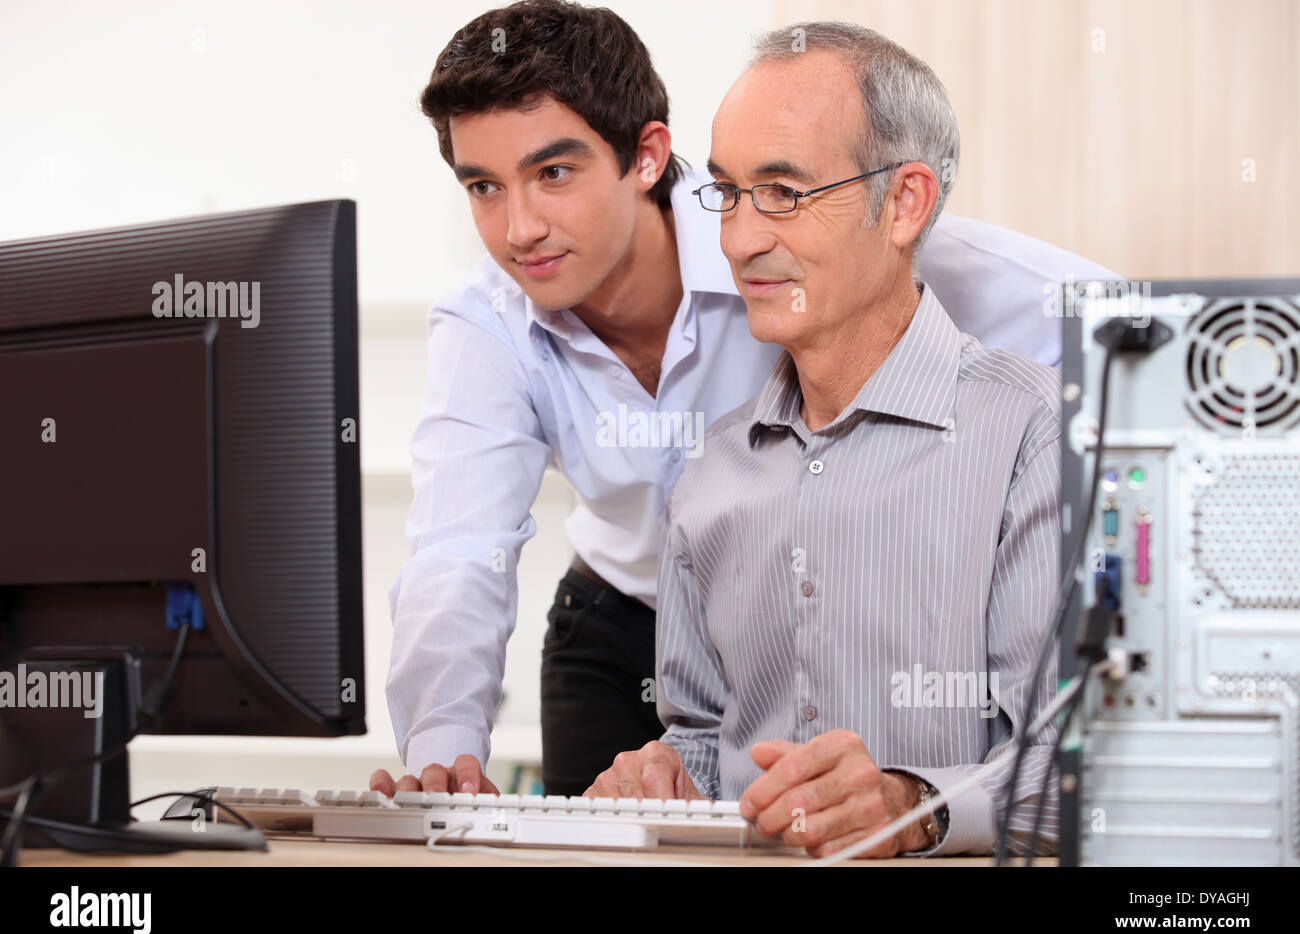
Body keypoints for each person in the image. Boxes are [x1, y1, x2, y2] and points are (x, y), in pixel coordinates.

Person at [373, 0, 1109, 800]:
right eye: (483, 186)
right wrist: (442, 754)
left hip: (794, 600)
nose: (520, 229)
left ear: (647, 157)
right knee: (613, 828)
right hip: (620, 612)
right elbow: (458, 549)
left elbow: (1089, 316)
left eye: (553, 173)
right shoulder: (489, 322)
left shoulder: (796, 234)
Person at [585, 22, 1062, 859]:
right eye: (728, 192)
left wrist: (911, 804)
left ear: (905, 203)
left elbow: (1075, 764)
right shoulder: (712, 469)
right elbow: (705, 735)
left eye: (782, 191)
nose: (740, 240)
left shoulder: (1032, 435)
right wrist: (665, 772)